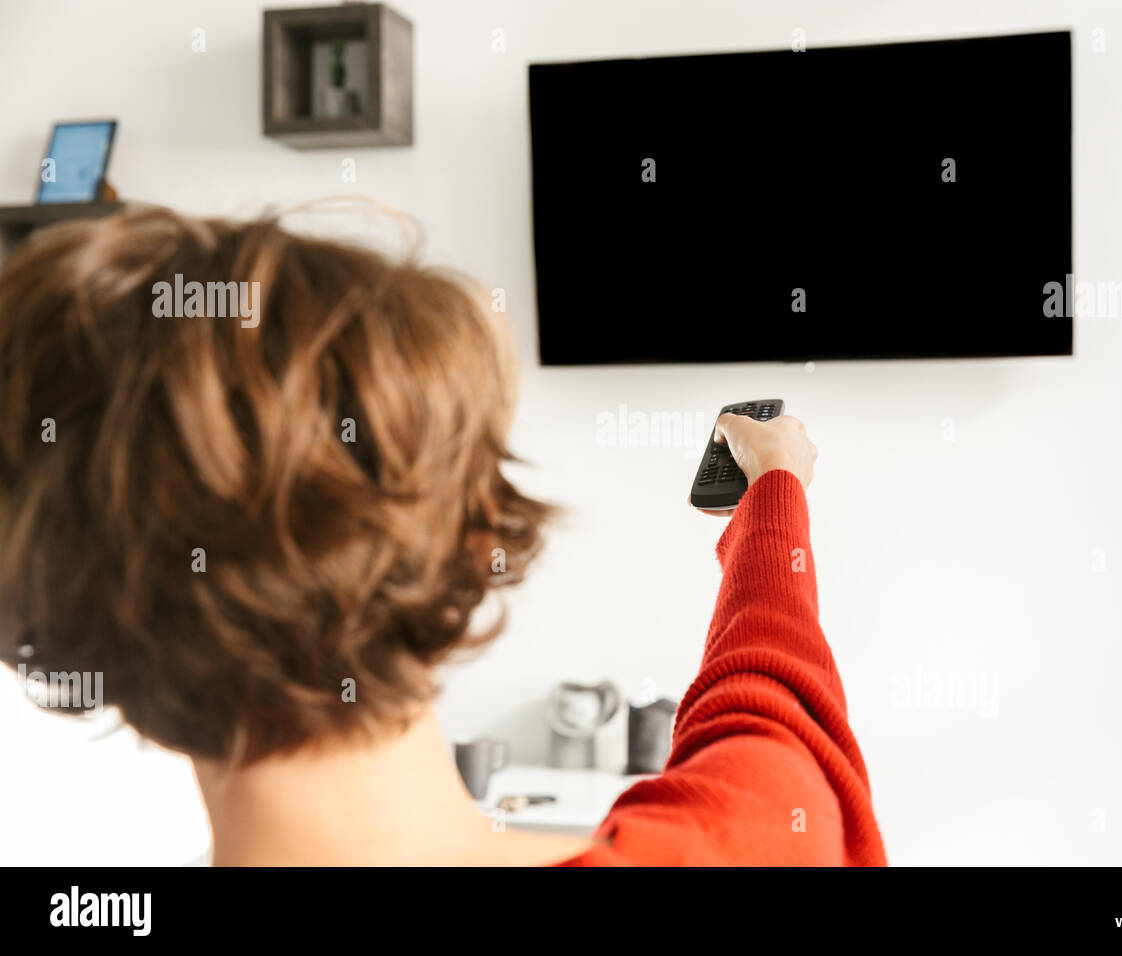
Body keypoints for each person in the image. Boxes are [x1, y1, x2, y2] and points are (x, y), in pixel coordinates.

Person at [0, 206, 885, 866]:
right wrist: (773, 493)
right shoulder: (751, 843)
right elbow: (775, 708)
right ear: (475, 543)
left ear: (49, 616)